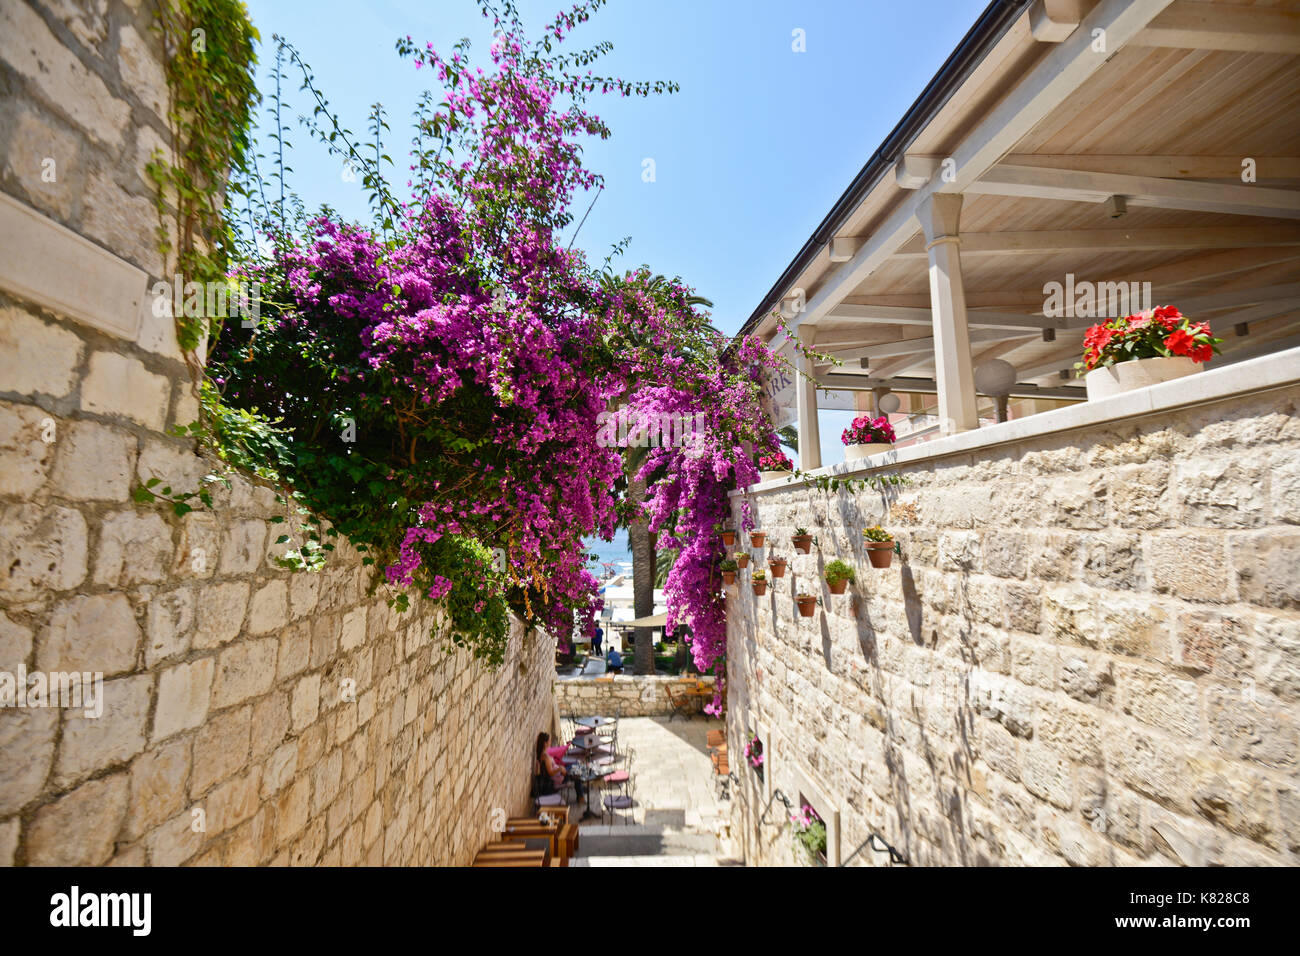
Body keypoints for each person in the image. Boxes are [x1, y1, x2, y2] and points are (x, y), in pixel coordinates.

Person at [535, 731, 584, 802]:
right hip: (558, 779)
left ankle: (581, 795)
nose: (550, 742)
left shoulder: (543, 754)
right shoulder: (545, 757)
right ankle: (580, 796)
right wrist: (560, 769)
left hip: (559, 774)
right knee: (577, 773)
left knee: (575, 766)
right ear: (545, 743)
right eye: (549, 741)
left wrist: (560, 768)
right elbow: (551, 773)